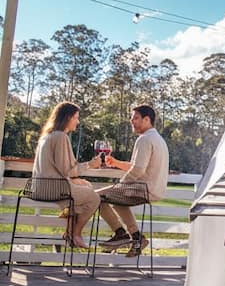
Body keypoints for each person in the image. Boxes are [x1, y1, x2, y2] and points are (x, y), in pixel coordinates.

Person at [91, 105, 169, 256]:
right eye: (132, 118)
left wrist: (121, 184)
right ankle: (137, 238)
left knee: (95, 197)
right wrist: (117, 163)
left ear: (147, 120)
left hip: (142, 188)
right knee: (115, 198)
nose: (131, 121)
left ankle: (121, 234)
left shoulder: (144, 139)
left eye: (136, 118)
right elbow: (138, 166)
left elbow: (138, 170)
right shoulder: (158, 139)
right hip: (153, 189)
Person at [32, 102, 101, 248]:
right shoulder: (60, 137)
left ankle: (69, 229)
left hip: (38, 188)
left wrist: (77, 181)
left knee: (86, 187)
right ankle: (75, 234)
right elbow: (66, 170)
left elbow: (57, 169)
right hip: (54, 189)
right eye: (76, 117)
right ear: (68, 117)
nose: (78, 121)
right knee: (94, 198)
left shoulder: (46, 136)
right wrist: (90, 165)